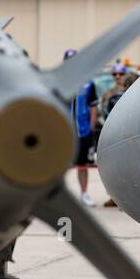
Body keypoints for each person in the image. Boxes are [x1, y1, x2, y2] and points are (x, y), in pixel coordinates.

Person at [62, 48, 99, 206]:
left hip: (83, 131)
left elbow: (93, 106)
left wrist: (91, 126)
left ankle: (84, 194)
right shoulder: (60, 83)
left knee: (83, 165)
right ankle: (61, 196)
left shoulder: (88, 82)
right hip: (64, 132)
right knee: (60, 166)